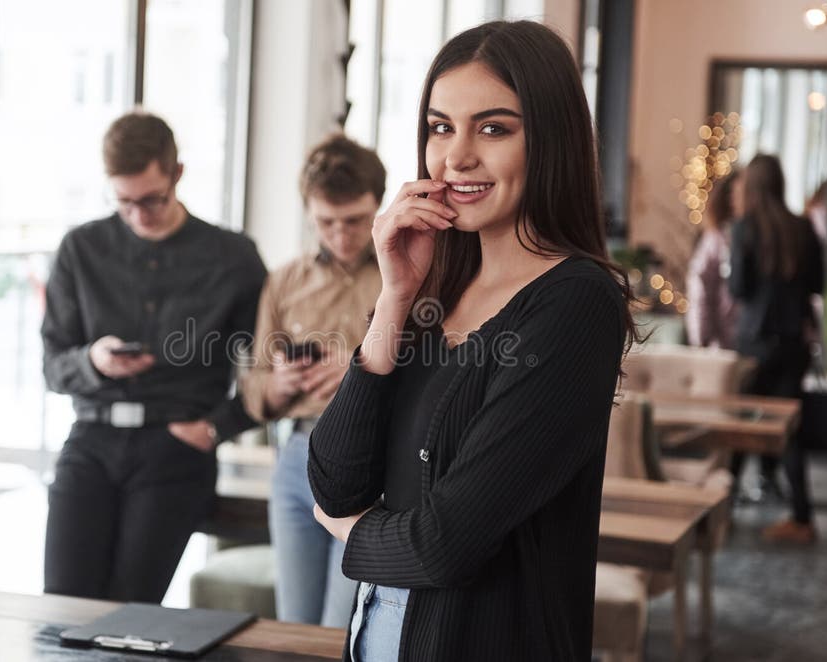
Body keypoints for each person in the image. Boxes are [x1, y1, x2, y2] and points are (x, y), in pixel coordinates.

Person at [307, 21, 637, 661]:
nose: (456, 156)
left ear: (550, 139)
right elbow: (334, 480)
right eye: (440, 127)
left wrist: (350, 534)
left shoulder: (574, 303)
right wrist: (394, 298)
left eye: (493, 128)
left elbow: (443, 545)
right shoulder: (434, 290)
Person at [41, 110, 267, 601]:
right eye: (124, 203)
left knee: (132, 612)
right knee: (62, 604)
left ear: (177, 175)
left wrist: (218, 426)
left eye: (152, 200)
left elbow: (270, 366)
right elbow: (52, 366)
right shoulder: (80, 248)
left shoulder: (233, 257)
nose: (139, 214)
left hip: (176, 446)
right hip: (91, 440)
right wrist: (93, 362)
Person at [242, 134, 385, 627]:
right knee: (293, 631)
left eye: (355, 221)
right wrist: (279, 385)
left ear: (377, 207)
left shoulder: (406, 276)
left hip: (374, 464)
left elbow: (438, 372)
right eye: (326, 222)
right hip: (296, 459)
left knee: (342, 628)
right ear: (309, 214)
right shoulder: (284, 282)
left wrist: (362, 366)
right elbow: (254, 383)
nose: (341, 235)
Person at [729, 153, 825, 544]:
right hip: (793, 345)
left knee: (738, 426)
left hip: (755, 344)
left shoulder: (745, 228)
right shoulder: (802, 228)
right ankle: (802, 518)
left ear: (752, 186)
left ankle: (721, 510)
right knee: (789, 431)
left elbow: (739, 289)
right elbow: (820, 284)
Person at [685, 170, 741, 349]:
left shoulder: (746, 238)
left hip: (739, 339)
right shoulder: (715, 240)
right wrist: (702, 337)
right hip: (720, 345)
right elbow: (699, 286)